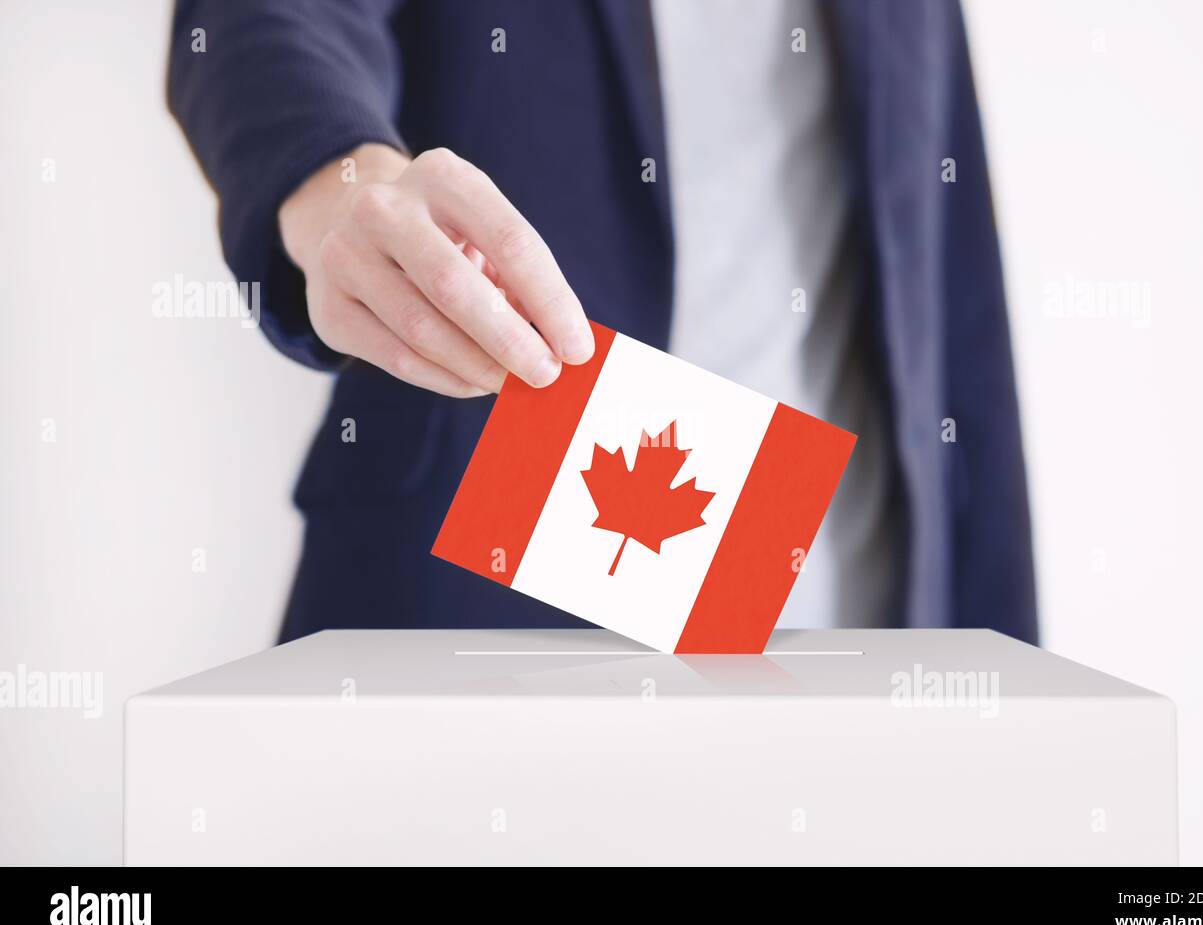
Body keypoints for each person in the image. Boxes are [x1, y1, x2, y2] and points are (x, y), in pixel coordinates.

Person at [168, 0, 1037, 645]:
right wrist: (344, 182)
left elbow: (949, 283)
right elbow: (266, 19)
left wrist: (1002, 656)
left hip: (846, 610)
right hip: (492, 592)